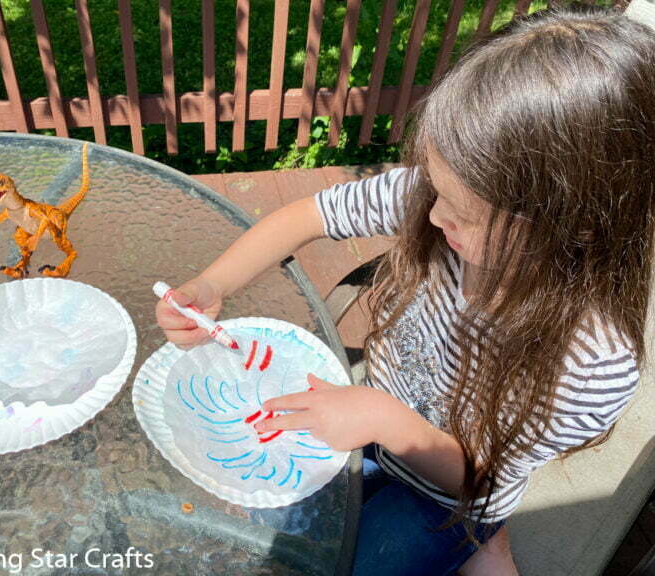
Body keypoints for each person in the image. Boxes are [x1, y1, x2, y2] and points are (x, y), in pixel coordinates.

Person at [156, 3, 654, 574]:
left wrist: (385, 421)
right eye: (436, 187)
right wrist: (213, 283)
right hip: (370, 428)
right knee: (260, 517)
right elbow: (308, 217)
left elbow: (480, 477)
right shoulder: (443, 196)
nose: (433, 214)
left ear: (571, 222)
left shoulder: (592, 363)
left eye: (464, 212)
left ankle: (485, 542)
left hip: (448, 497)